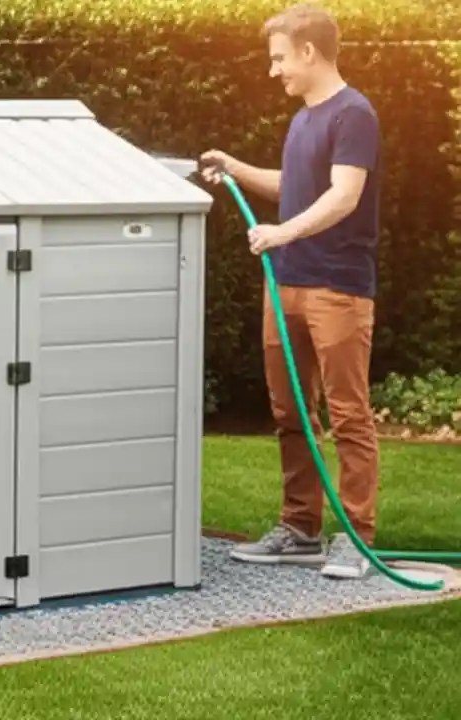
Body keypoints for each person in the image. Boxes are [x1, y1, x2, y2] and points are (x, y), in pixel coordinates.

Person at [200, 4, 382, 579]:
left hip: (337, 288)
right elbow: (294, 186)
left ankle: (357, 538)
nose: (273, 70)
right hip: (288, 285)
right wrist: (235, 167)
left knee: (348, 415)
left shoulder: (354, 114)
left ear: (308, 51)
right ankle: (301, 529)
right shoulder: (303, 119)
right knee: (292, 412)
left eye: (279, 58)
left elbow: (344, 195)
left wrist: (281, 233)